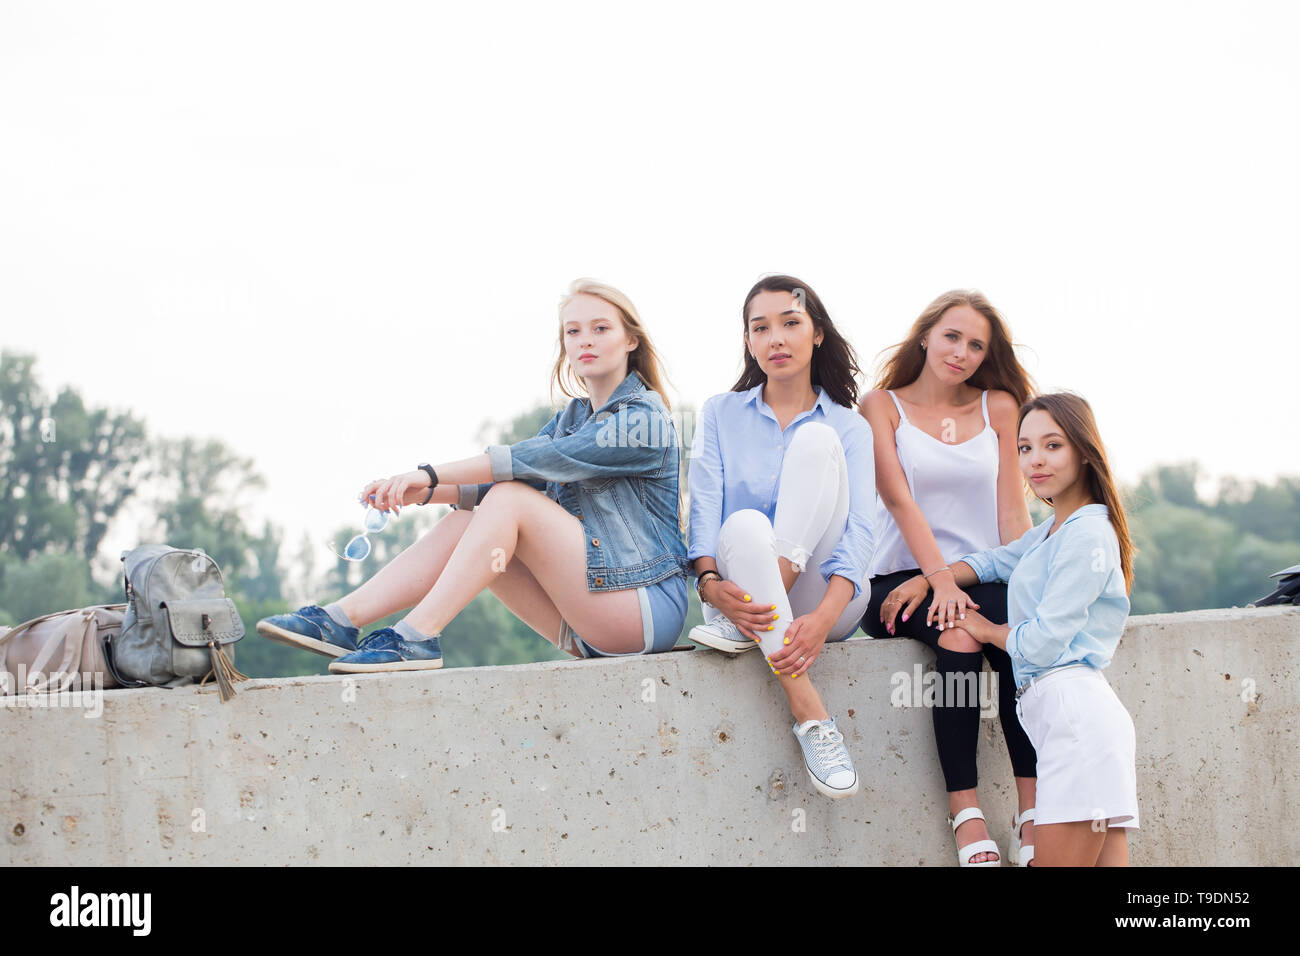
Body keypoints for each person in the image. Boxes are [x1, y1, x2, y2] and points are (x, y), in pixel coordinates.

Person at [257, 278, 690, 670]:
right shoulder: (573, 417)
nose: (585, 341)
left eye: (601, 328)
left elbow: (528, 461)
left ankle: (417, 636)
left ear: (631, 339)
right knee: (477, 514)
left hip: (644, 611)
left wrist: (425, 474)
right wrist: (422, 494)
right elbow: (494, 485)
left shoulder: (642, 420)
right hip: (587, 627)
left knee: (508, 500)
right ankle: (341, 620)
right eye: (572, 331)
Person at [858, 289, 1039, 866]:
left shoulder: (1000, 408)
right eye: (952, 336)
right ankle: (967, 812)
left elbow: (1013, 514)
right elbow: (898, 500)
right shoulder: (881, 406)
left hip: (980, 574)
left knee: (1013, 630)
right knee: (960, 635)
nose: (961, 352)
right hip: (897, 581)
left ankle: (1030, 811)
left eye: (976, 345)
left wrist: (1031, 586)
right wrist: (937, 581)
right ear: (926, 335)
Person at [688, 275, 875, 799]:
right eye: (761, 327)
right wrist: (708, 585)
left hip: (824, 600)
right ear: (748, 342)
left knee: (816, 440)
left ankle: (775, 594)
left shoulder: (850, 427)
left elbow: (861, 532)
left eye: (791, 323)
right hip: (736, 597)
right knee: (746, 524)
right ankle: (812, 716)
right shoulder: (720, 413)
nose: (776, 338)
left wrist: (822, 618)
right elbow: (703, 506)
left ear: (817, 334)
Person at [942, 392, 1138, 867]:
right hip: (1076, 725)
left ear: (1084, 450)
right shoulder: (1055, 530)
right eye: (1025, 448)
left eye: (1053, 445)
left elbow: (1045, 643)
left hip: (1075, 722)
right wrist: (931, 580)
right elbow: (993, 561)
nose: (1035, 460)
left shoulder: (1088, 534)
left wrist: (988, 631)